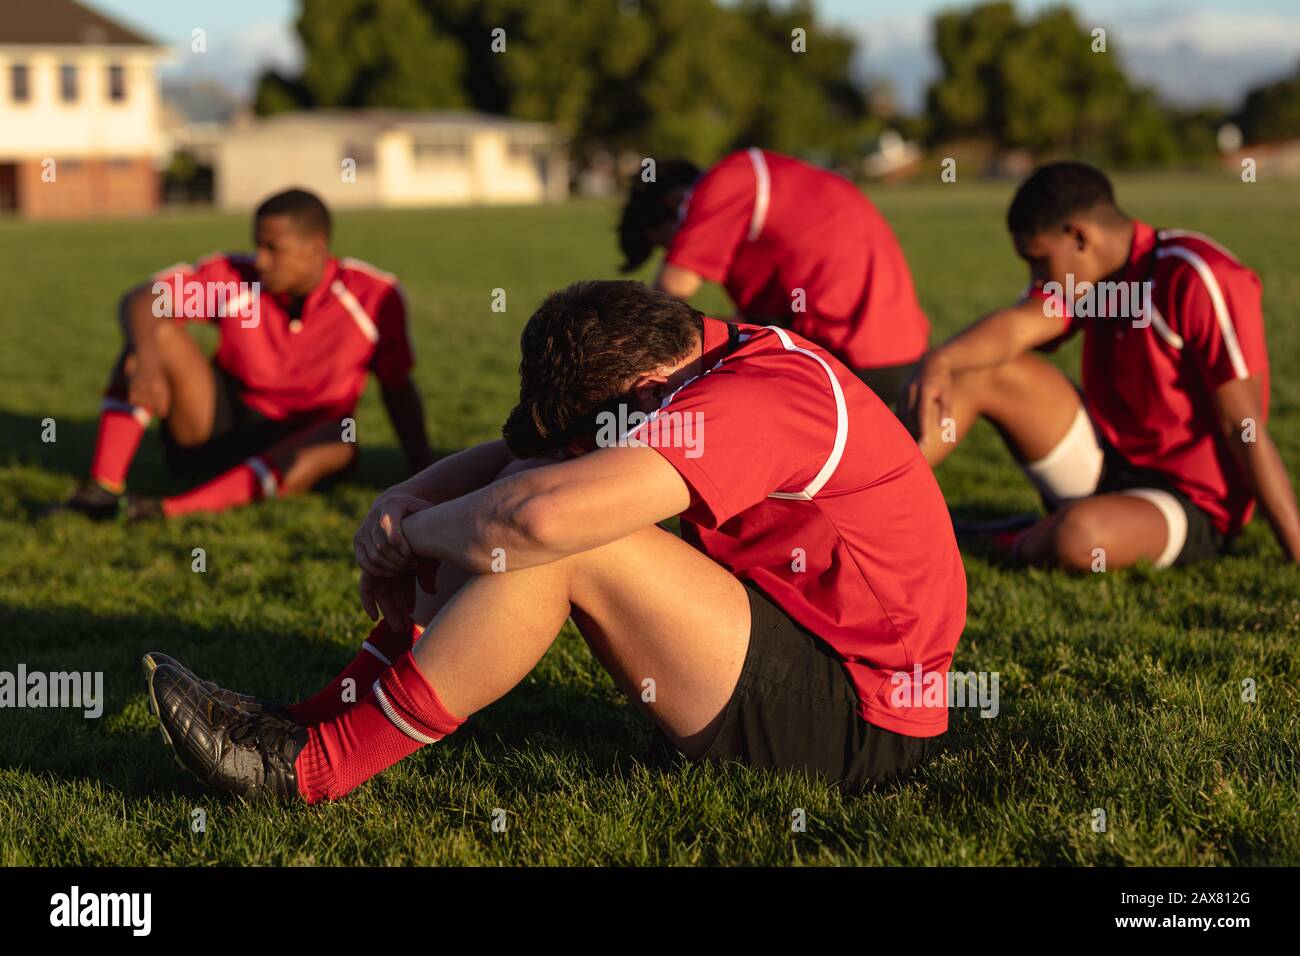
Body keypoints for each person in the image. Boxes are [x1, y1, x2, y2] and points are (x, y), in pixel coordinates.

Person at [142, 280, 966, 801]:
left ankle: (311, 771)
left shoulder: (761, 400)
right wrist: (408, 498)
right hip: (805, 645)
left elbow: (537, 518)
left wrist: (415, 533)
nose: (583, 449)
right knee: (516, 505)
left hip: (864, 723)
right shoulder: (699, 357)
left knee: (561, 538)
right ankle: (306, 722)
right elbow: (523, 458)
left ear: (644, 390)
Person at [902, 161, 1300, 570]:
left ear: (1079, 237)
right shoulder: (1090, 280)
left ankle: (996, 538)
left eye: (1040, 261)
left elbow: (1242, 425)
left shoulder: (1194, 275)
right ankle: (873, 498)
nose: (1036, 275)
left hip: (1187, 499)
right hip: (1106, 462)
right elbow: (1015, 331)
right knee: (976, 368)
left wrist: (1295, 546)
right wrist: (939, 360)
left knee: (1079, 538)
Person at [52, 188, 431, 521]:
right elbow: (144, 298)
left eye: (272, 249)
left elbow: (397, 386)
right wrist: (147, 360)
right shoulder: (238, 280)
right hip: (218, 428)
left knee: (339, 440)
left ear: (315, 248)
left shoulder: (372, 296)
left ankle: (165, 510)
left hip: (304, 442)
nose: (261, 259)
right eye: (257, 246)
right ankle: (101, 487)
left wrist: (425, 470)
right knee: (154, 334)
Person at [619, 149, 930, 404]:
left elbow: (670, 292)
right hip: (900, 351)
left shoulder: (724, 184)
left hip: (853, 358)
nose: (677, 252)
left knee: (695, 389)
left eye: (669, 245)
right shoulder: (766, 174)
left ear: (677, 204)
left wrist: (618, 359)